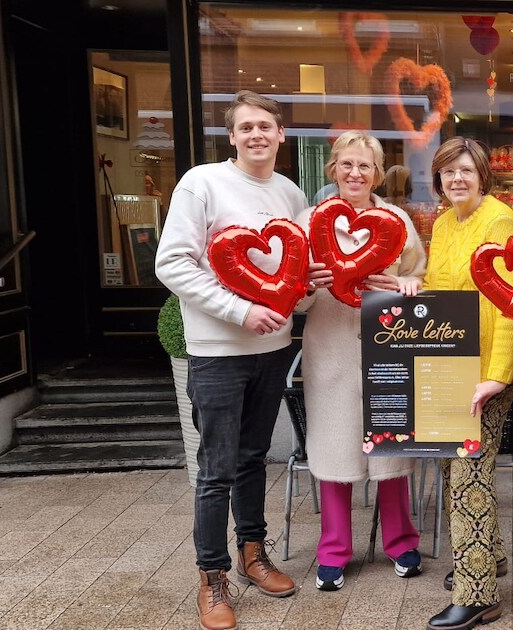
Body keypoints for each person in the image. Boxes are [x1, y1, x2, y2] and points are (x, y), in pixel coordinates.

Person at [155, 90, 331, 630]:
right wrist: (238, 311)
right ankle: (213, 579)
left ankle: (254, 556)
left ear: (282, 136)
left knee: (255, 457)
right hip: (217, 353)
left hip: (273, 349)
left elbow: (288, 280)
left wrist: (305, 293)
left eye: (266, 127)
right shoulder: (200, 182)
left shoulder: (288, 191)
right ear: (231, 136)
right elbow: (172, 263)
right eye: (246, 127)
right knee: (215, 470)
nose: (257, 135)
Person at [295, 131, 428, 592]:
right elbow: (292, 296)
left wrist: (410, 285)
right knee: (334, 446)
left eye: (365, 166)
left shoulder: (395, 219)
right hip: (329, 347)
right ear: (334, 169)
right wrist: (309, 286)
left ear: (377, 172)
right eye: (347, 164)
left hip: (387, 344)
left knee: (391, 443)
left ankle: (401, 541)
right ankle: (333, 549)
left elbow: (416, 272)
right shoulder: (309, 220)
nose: (355, 173)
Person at [424, 137, 513, 630]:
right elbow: (436, 290)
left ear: (483, 174)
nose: (457, 179)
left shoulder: (499, 219)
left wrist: (496, 376)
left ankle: (478, 593)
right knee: (455, 468)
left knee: (468, 475)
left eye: (465, 170)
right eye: (448, 173)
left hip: (485, 369)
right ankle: (490, 558)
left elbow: (511, 300)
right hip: (449, 364)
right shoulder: (443, 223)